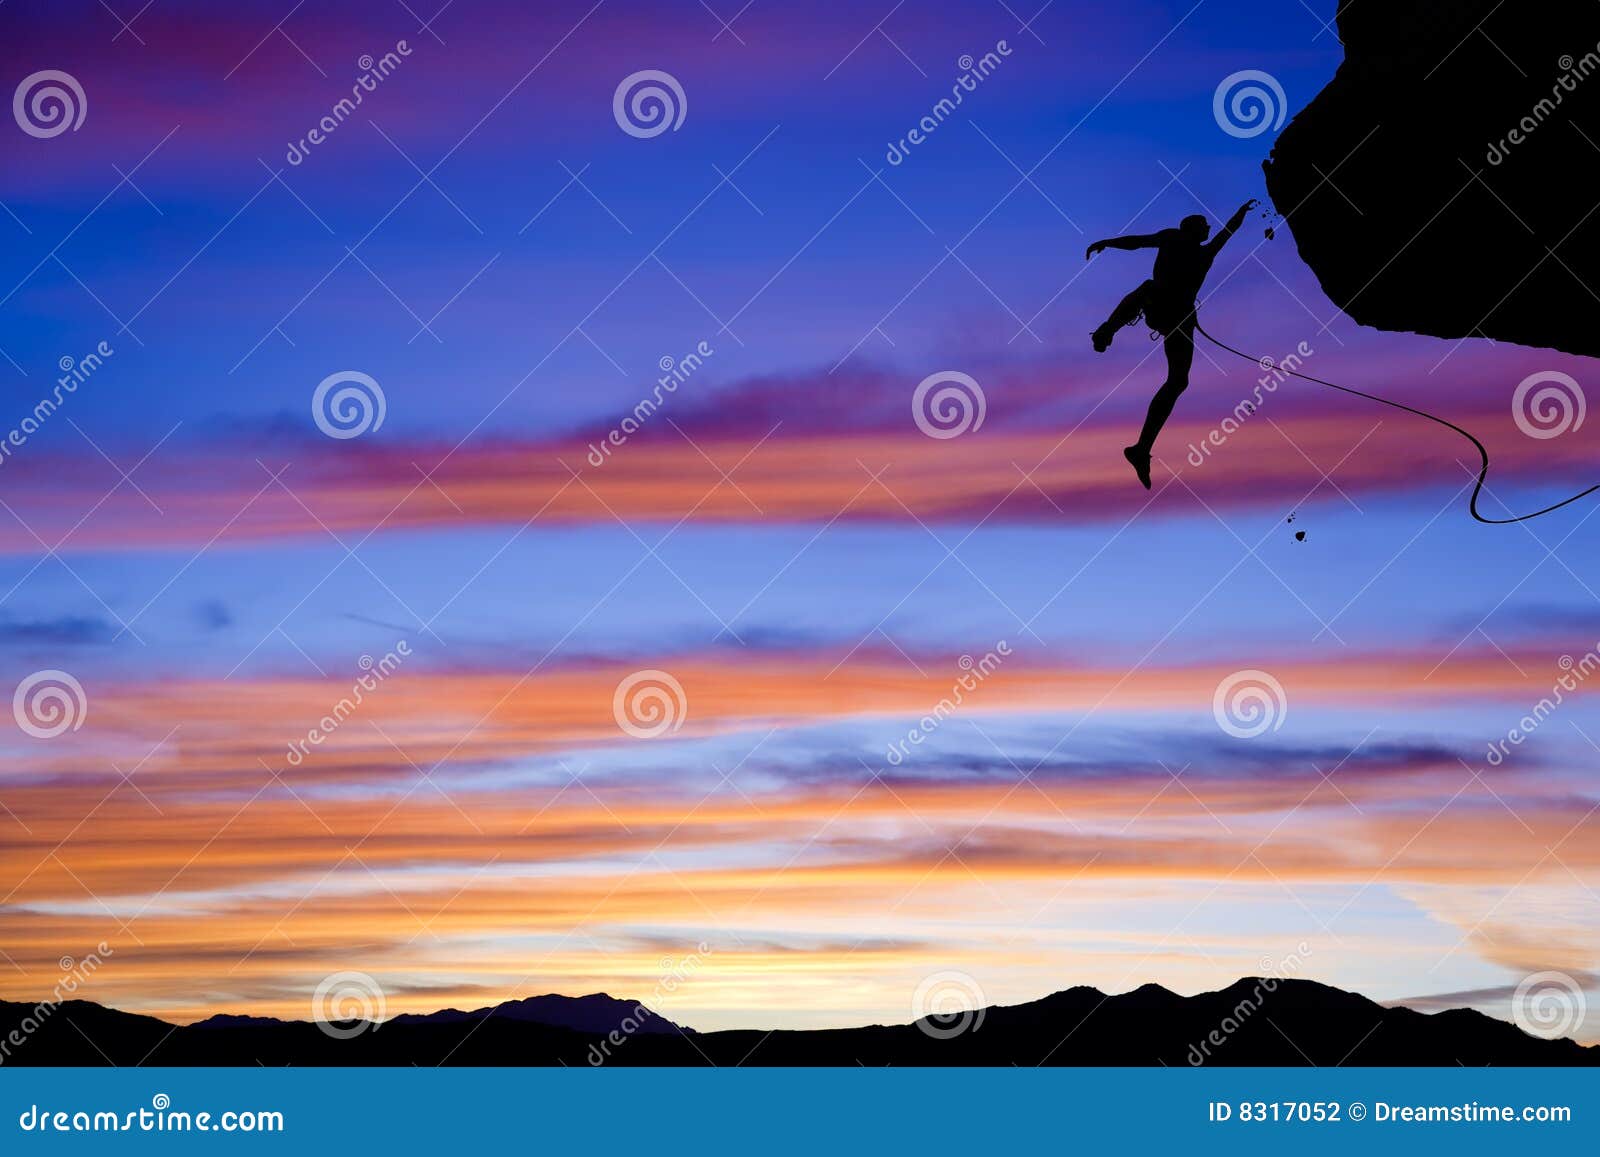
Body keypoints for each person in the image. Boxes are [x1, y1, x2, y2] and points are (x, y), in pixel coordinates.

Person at [1085, 198, 1258, 488]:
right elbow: (1138, 242)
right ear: (1192, 229)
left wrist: (1240, 212)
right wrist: (1109, 242)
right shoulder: (1179, 241)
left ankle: (1141, 449)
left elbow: (1227, 231)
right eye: (1204, 226)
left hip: (1177, 320)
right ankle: (1107, 330)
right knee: (1147, 288)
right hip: (1163, 309)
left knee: (1179, 381)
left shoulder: (1201, 252)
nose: (1207, 229)